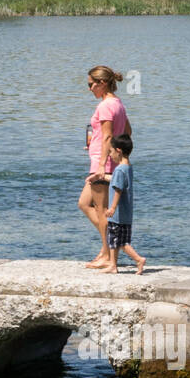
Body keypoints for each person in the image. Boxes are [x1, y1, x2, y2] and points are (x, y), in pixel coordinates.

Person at [77, 65, 131, 269]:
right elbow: (127, 132)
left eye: (91, 85)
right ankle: (106, 250)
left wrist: (101, 164)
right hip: (108, 159)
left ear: (102, 83)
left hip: (103, 163)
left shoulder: (105, 106)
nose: (89, 89)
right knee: (84, 203)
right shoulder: (119, 104)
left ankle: (108, 255)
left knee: (101, 210)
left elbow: (108, 135)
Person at [102, 134, 145, 275]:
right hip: (126, 213)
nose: (110, 155)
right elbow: (117, 181)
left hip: (118, 213)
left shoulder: (119, 169)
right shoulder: (128, 168)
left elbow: (118, 189)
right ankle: (113, 265)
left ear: (118, 151)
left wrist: (112, 208)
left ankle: (138, 259)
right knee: (116, 240)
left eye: (111, 152)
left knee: (119, 242)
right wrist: (101, 176)